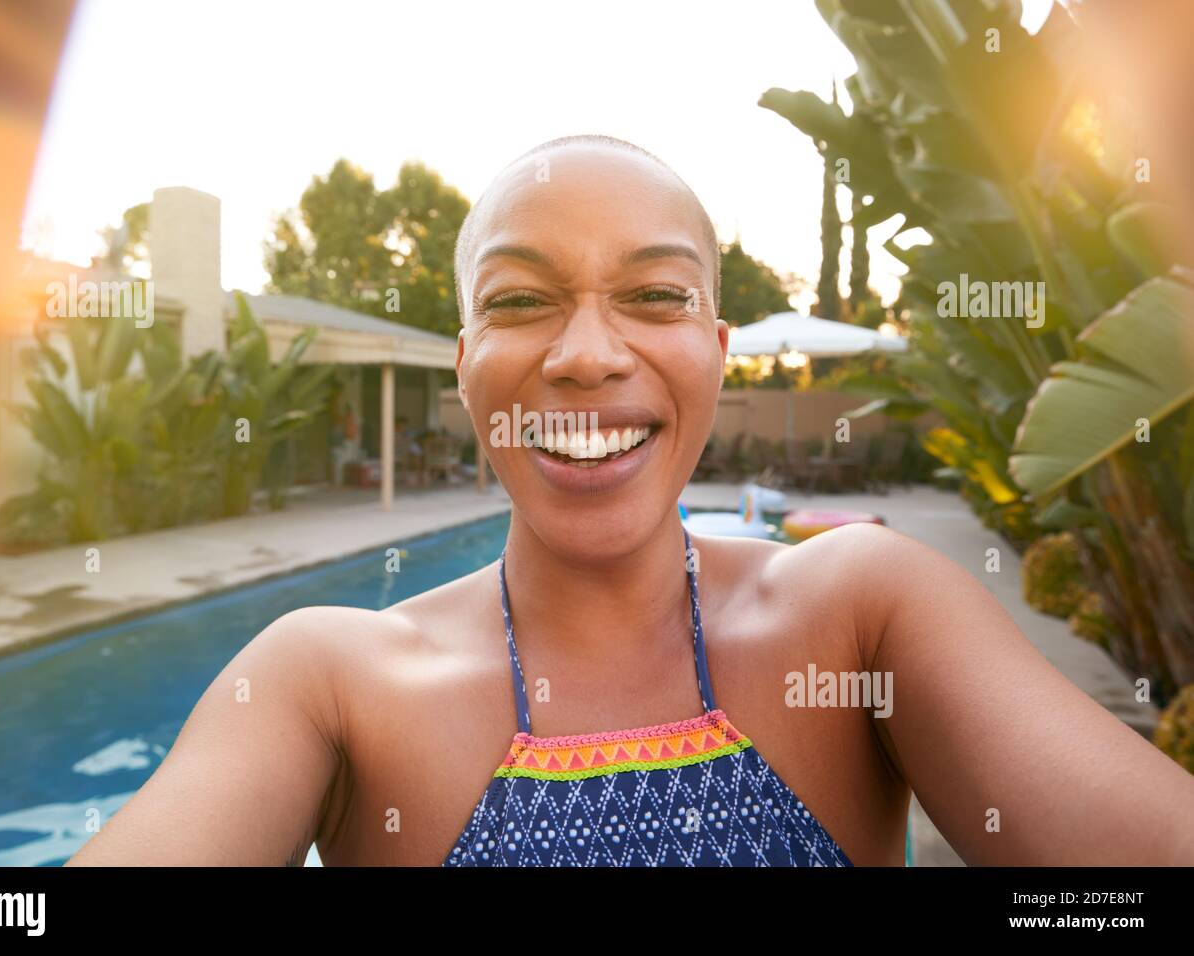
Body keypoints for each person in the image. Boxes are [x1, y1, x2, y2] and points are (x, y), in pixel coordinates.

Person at [68, 135, 1194, 867]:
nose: (587, 354)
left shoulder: (862, 611)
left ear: (713, 350)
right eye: (522, 300)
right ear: (464, 362)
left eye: (652, 294)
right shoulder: (331, 678)